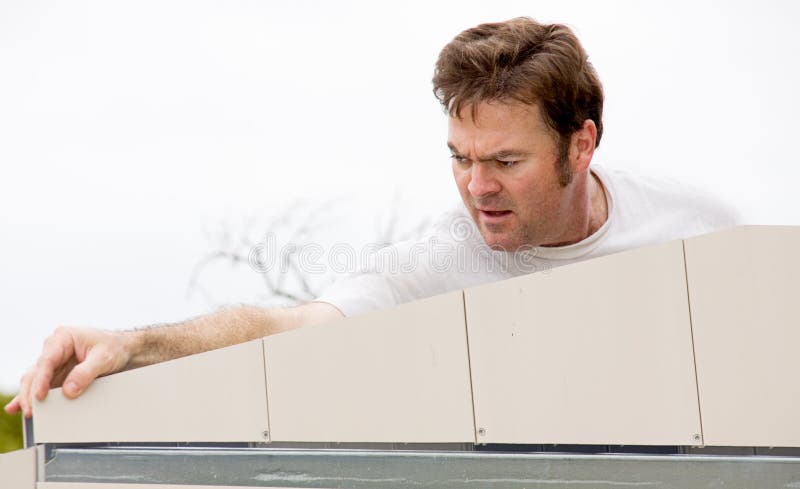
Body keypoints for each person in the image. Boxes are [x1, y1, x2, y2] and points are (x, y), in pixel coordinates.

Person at [5, 17, 740, 418]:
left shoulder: (701, 229)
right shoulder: (439, 260)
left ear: (581, 144)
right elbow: (292, 326)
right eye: (458, 157)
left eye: (506, 162)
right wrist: (138, 343)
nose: (476, 187)